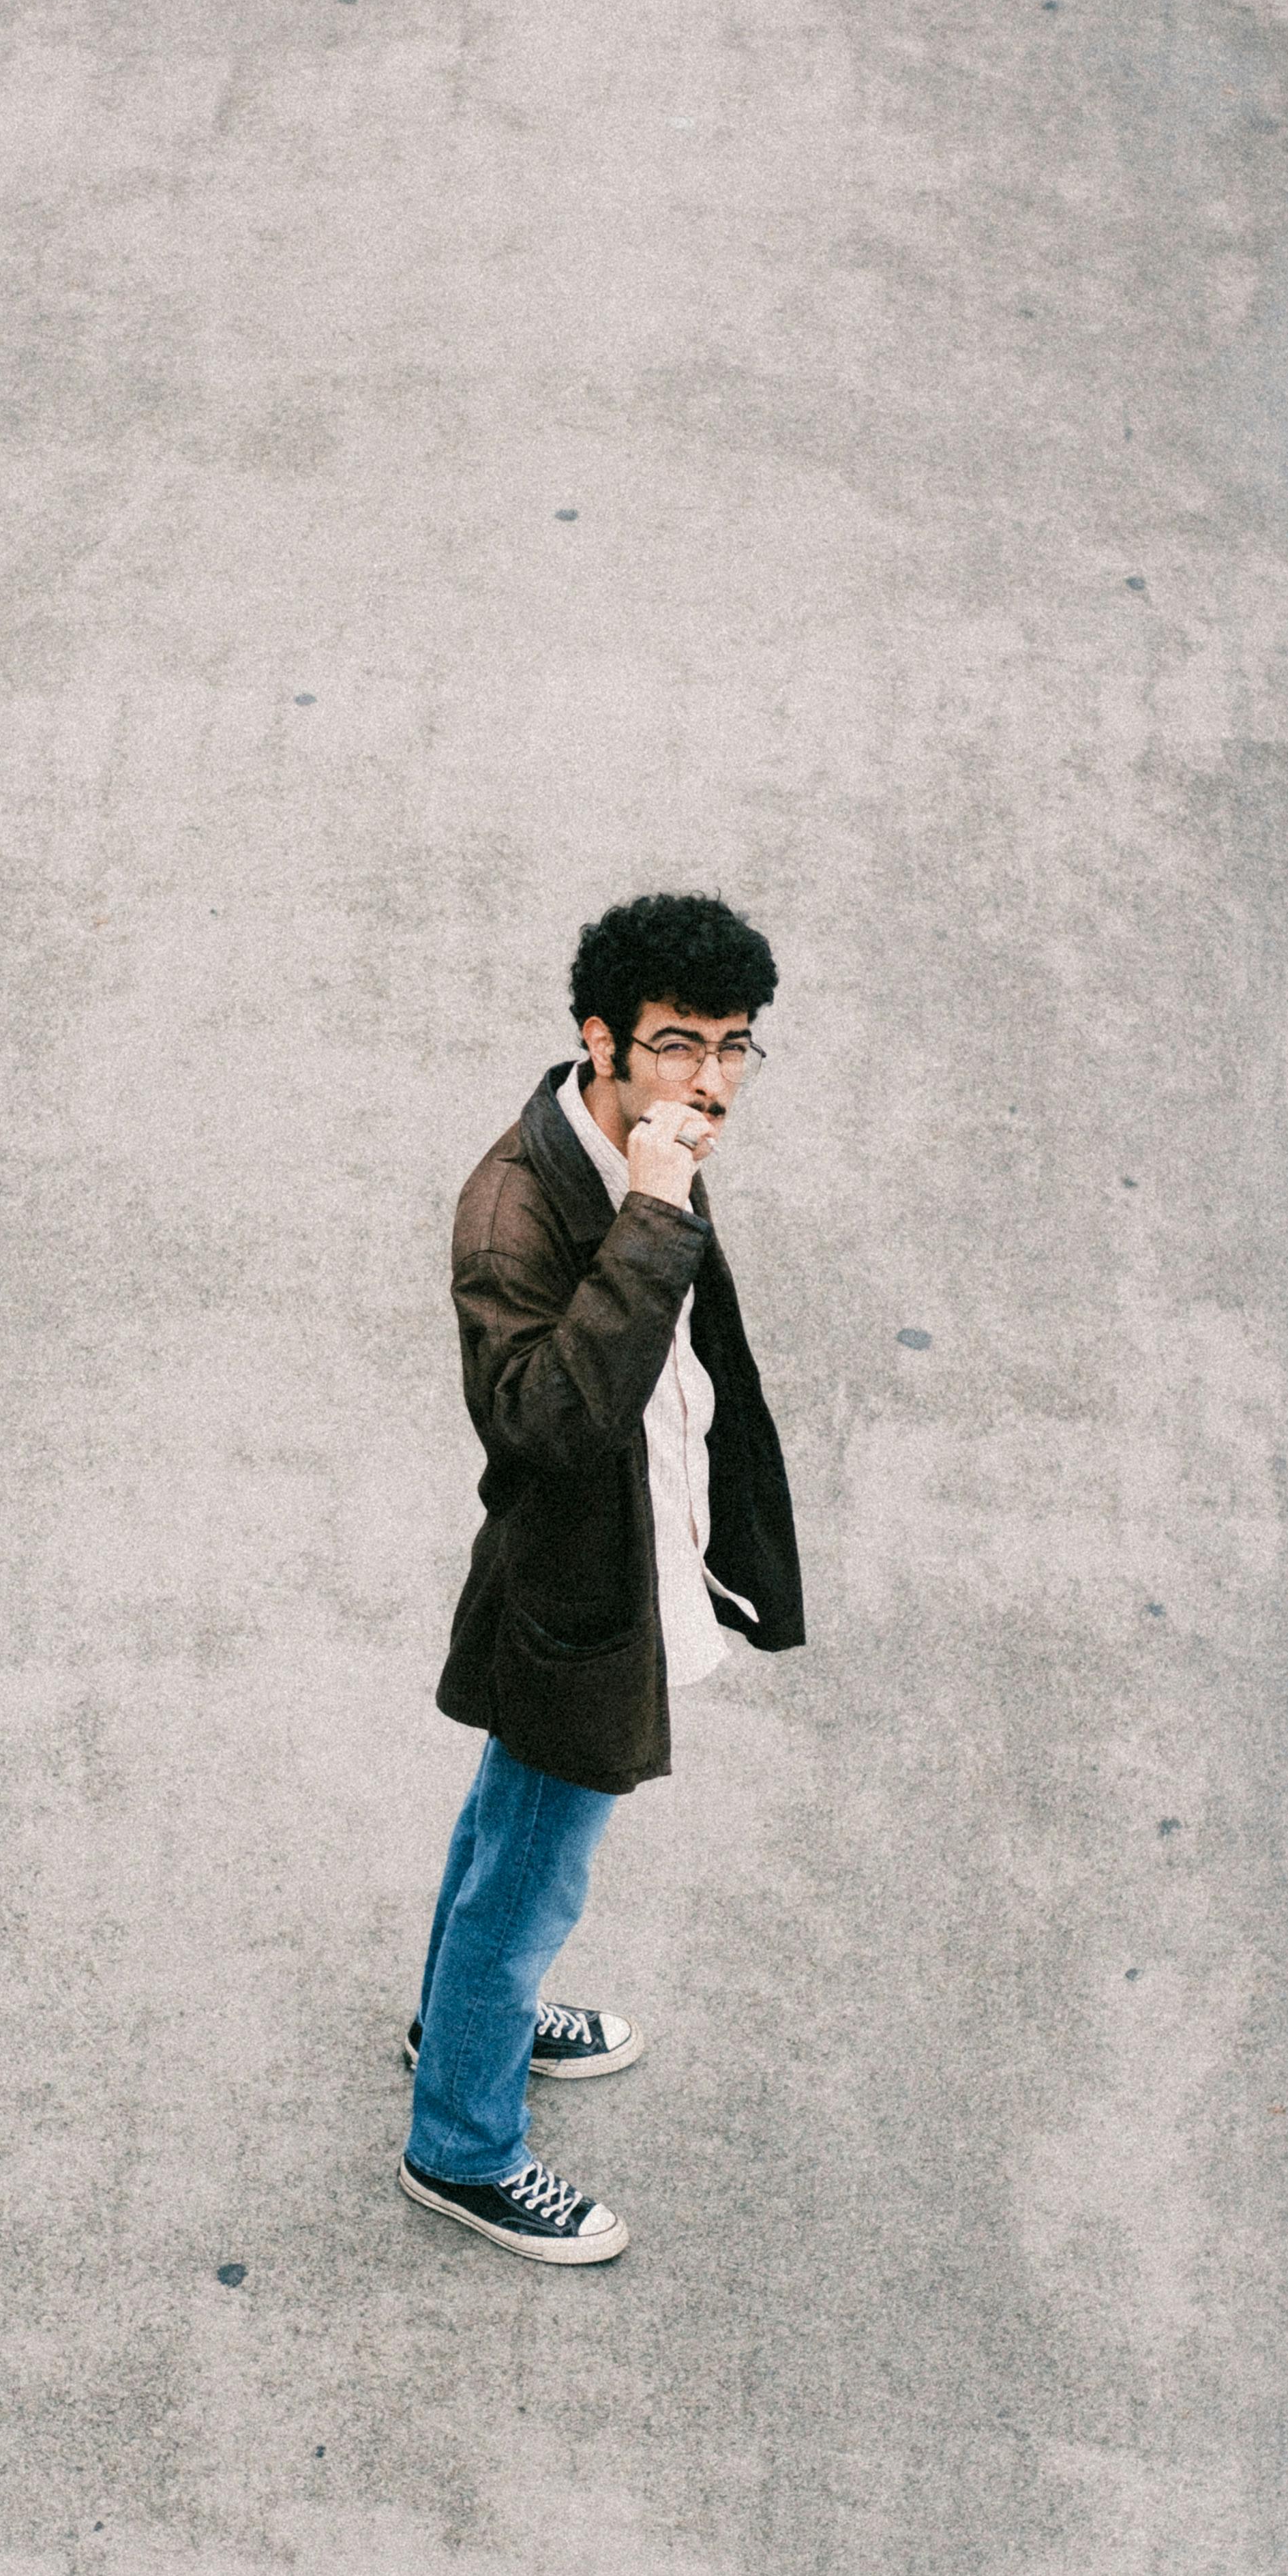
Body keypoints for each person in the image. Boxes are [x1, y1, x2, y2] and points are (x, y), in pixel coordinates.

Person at [401, 892, 805, 2263]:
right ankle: (458, 2143)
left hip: (626, 1556)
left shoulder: (635, 1139)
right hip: (573, 1587)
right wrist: (651, 1208)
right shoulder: (522, 1204)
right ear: (599, 1041)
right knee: (530, 1871)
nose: (709, 1081)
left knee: (504, 1839)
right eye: (678, 1043)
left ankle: (465, 2023)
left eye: (734, 1045)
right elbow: (548, 1424)